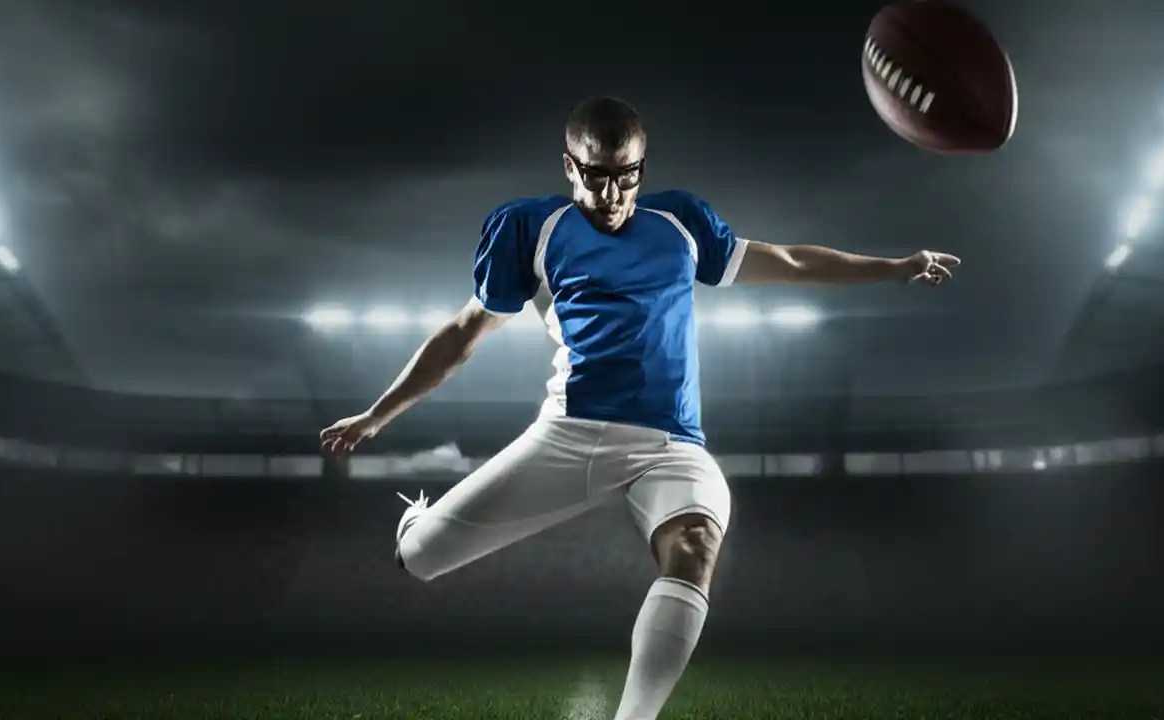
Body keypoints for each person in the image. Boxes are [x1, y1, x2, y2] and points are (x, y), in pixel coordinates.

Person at [320, 96, 959, 719]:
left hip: (669, 446)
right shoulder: (529, 228)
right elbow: (462, 334)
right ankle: (416, 527)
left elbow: (789, 260)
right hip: (568, 435)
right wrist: (377, 415)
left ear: (641, 170)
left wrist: (897, 267)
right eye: (595, 177)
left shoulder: (681, 223)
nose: (611, 194)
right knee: (422, 559)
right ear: (569, 167)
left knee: (696, 540)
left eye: (626, 177)